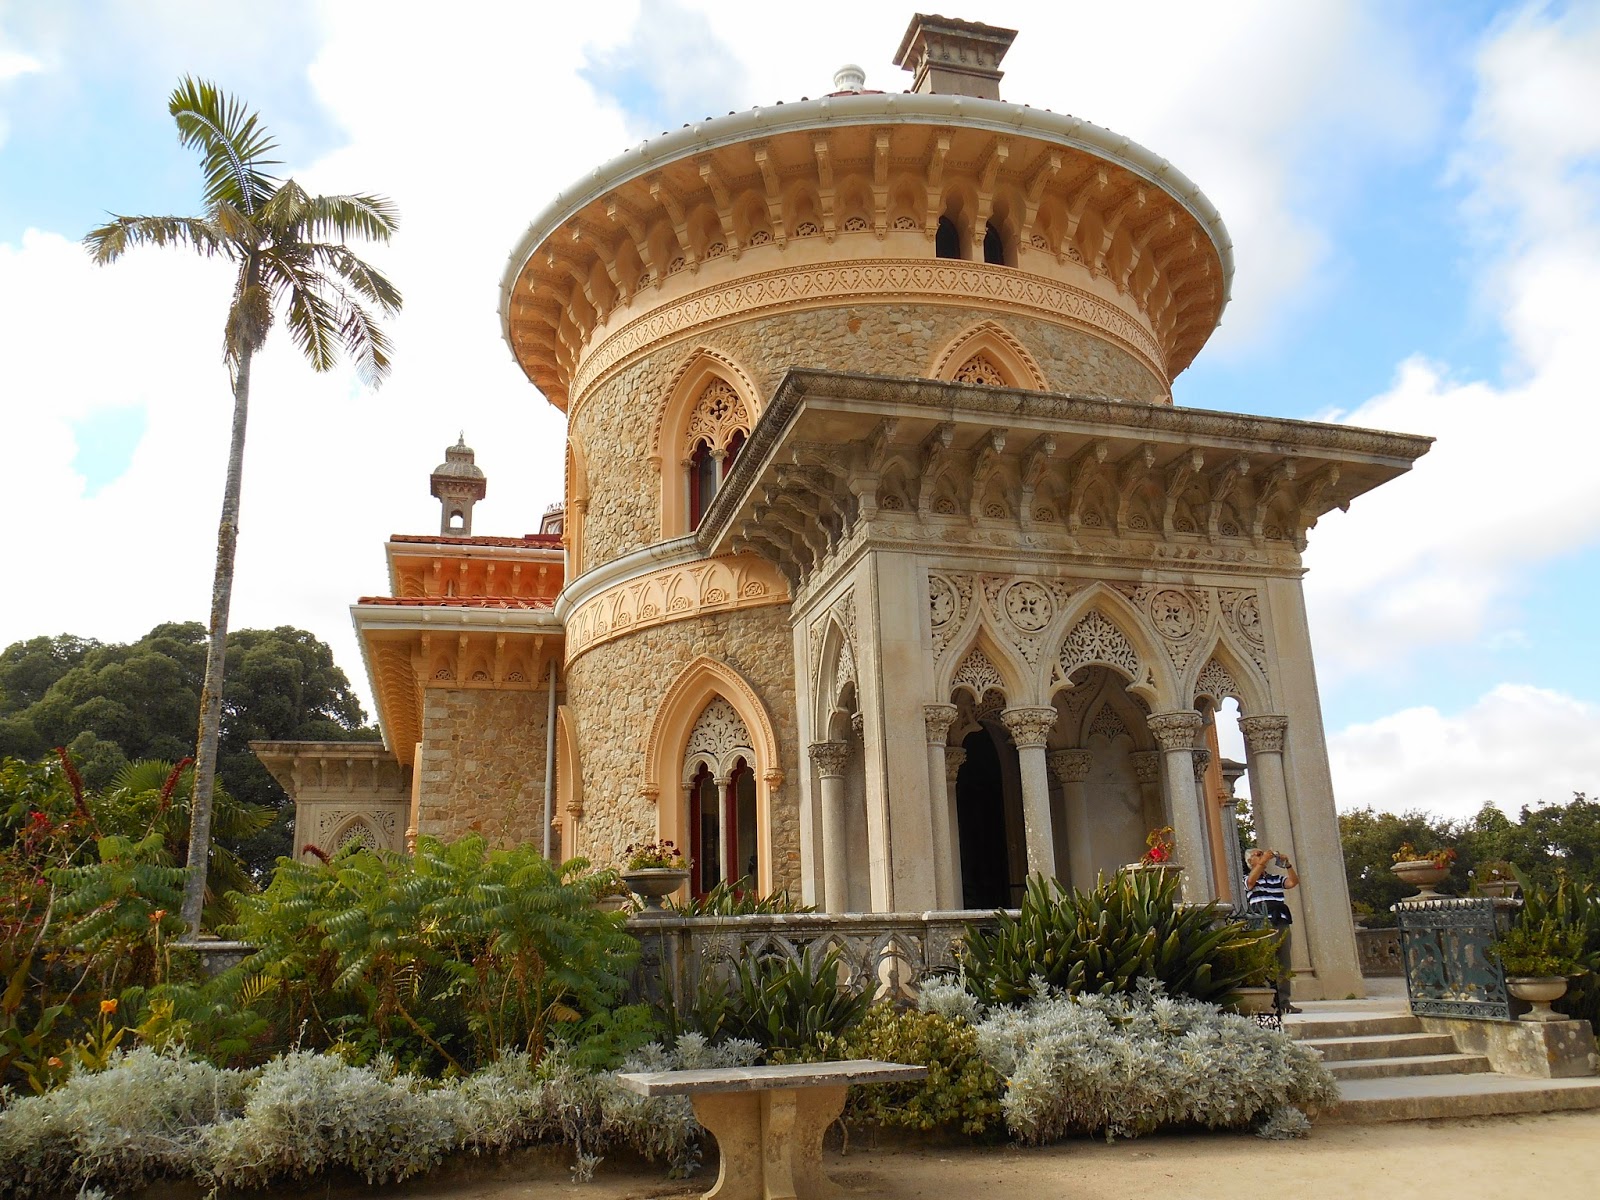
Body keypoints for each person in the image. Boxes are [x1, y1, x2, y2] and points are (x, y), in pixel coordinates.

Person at [1244, 847, 1300, 1014]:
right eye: (1258, 854)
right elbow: (1250, 883)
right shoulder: (1248, 878)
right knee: (1266, 962)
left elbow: (1292, 882)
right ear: (1250, 861)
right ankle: (1268, 1001)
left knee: (1284, 962)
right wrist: (1264, 859)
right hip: (1263, 923)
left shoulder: (1275, 879)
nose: (1263, 856)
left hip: (1281, 921)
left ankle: (1283, 1002)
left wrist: (1288, 864)